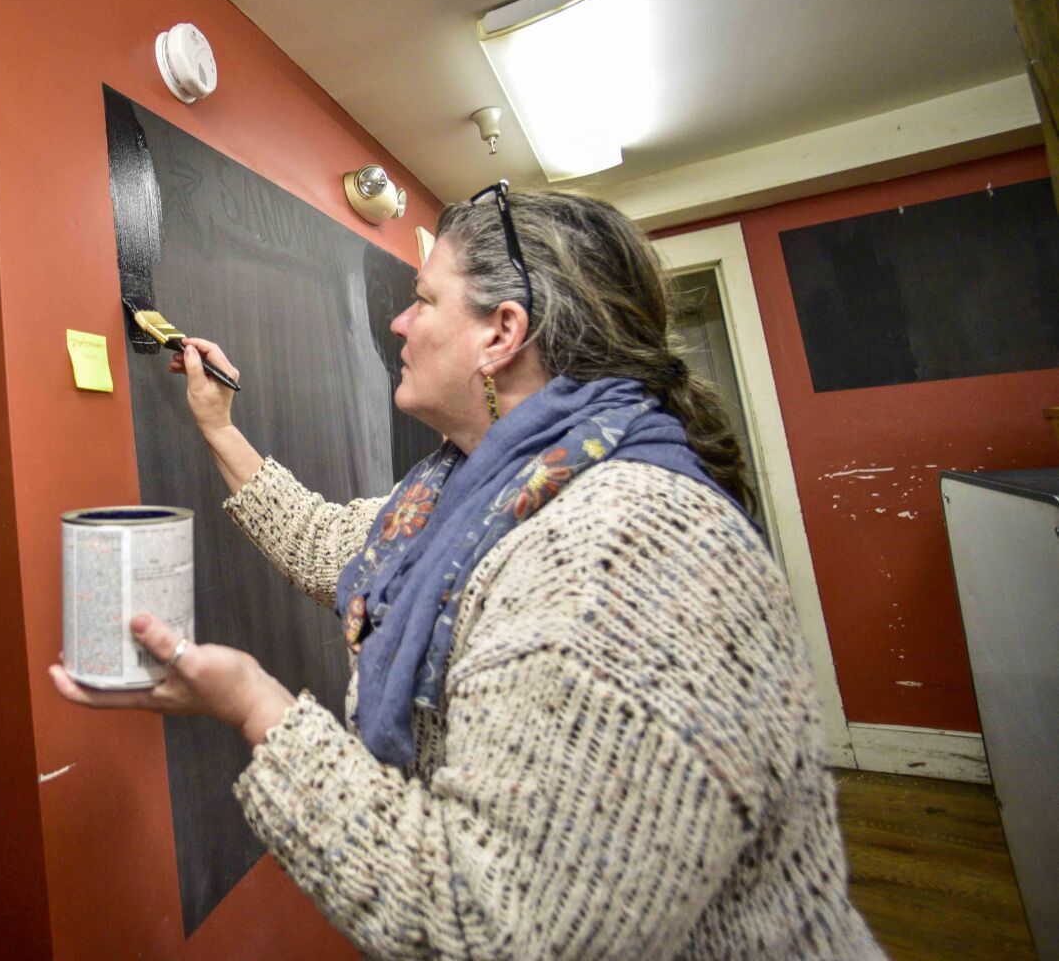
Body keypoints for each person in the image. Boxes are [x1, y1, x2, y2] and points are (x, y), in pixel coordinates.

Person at [51, 185, 883, 959]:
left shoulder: (618, 553)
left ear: (501, 333)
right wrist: (218, 426)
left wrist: (255, 707)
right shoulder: (469, 491)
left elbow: (498, 928)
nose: (399, 325)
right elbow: (325, 543)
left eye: (422, 299)